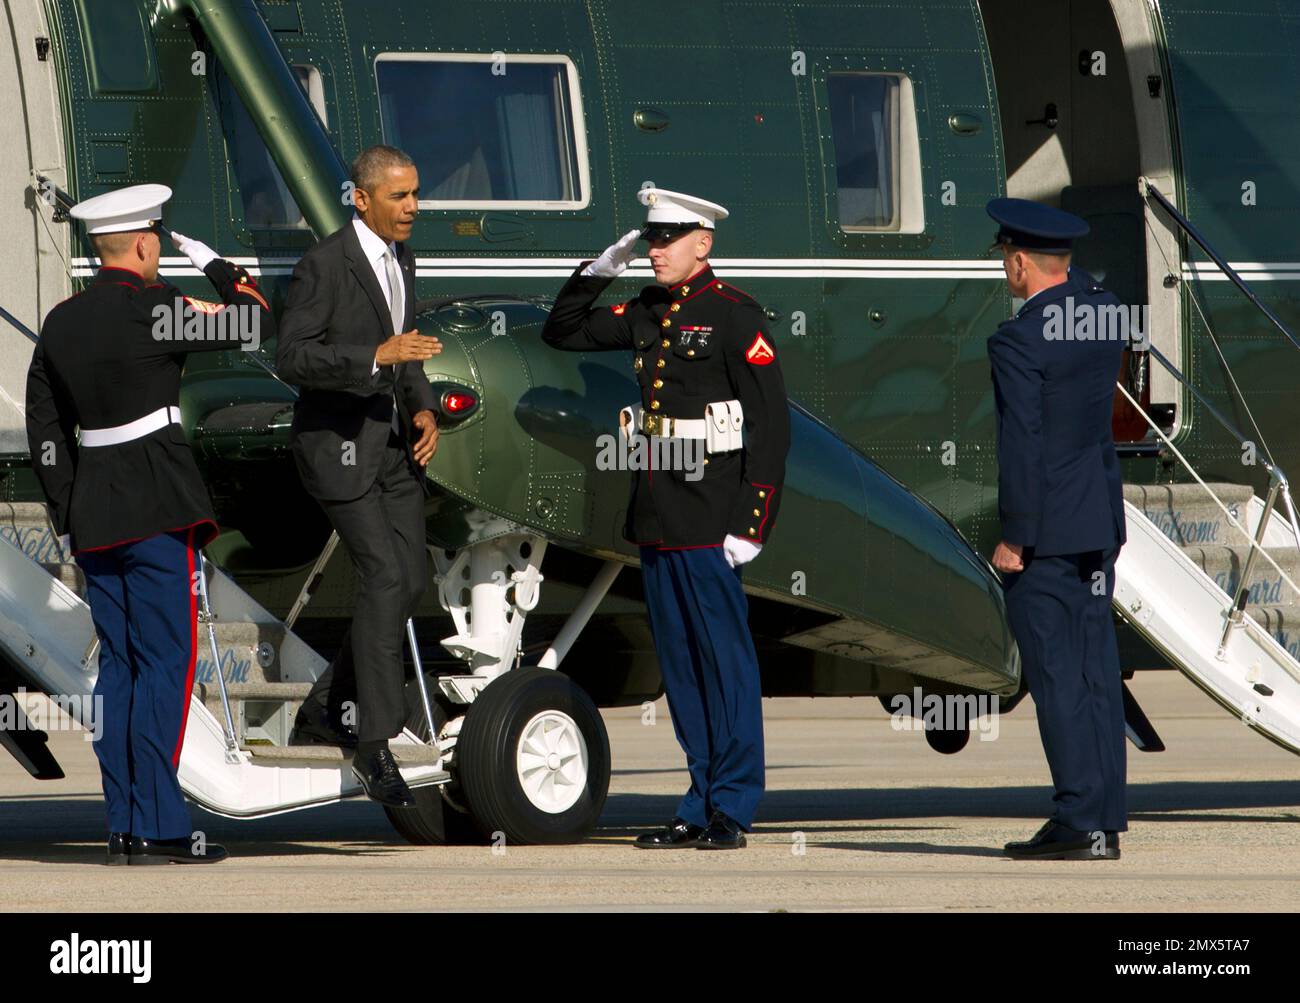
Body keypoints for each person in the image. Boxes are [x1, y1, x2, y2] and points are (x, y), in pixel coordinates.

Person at [25, 182, 275, 864]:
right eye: (158, 240)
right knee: (167, 663)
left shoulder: (62, 322)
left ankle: (124, 823)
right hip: (158, 507)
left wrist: (66, 509)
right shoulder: (160, 311)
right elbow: (253, 321)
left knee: (121, 671)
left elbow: (46, 431)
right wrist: (226, 273)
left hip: (94, 515)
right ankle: (161, 824)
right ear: (142, 243)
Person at [542, 188, 790, 850]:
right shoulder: (648, 308)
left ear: (701, 243)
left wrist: (752, 521)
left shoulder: (735, 316)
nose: (654, 251)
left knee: (724, 664)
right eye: (649, 240)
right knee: (681, 665)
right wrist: (600, 268)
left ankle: (732, 807)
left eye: (666, 240)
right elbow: (561, 330)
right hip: (657, 509)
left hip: (712, 514)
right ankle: (698, 800)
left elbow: (770, 426)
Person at [276, 145, 441, 808]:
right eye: (400, 196)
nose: (413, 208)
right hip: (336, 448)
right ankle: (372, 740)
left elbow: (408, 344)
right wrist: (375, 356)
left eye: (416, 194)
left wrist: (423, 402)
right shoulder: (324, 264)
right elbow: (293, 356)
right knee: (382, 573)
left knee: (414, 576)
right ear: (361, 199)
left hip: (395, 447)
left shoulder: (401, 257)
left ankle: (327, 704)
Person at [985, 196, 1127, 860]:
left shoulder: (1017, 340)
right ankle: (1105, 821)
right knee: (1096, 671)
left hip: (1047, 533)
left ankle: (1077, 818)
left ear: (1019, 262)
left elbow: (1024, 444)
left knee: (1058, 676)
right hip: (1097, 520)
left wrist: (1016, 534)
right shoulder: (1105, 316)